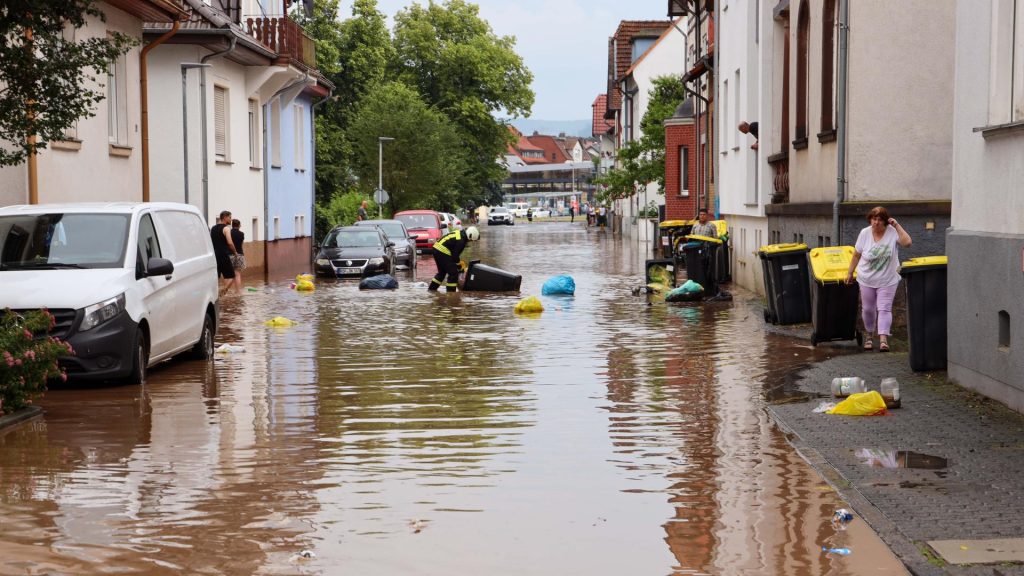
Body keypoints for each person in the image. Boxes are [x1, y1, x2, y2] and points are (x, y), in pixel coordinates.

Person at [845, 206, 912, 352]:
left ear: (885, 222)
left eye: (880, 220)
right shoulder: (864, 233)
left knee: (884, 308)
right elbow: (856, 255)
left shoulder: (892, 232)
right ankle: (869, 336)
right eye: (874, 219)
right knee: (868, 309)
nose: (876, 222)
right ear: (870, 219)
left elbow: (907, 243)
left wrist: (897, 225)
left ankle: (883, 339)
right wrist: (850, 273)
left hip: (888, 279)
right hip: (866, 278)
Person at [429, 226, 480, 292]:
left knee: (442, 273)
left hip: (436, 249)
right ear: (470, 236)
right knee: (453, 273)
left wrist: (458, 263)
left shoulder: (460, 233)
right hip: (442, 251)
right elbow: (455, 256)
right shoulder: (461, 241)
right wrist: (459, 266)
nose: (470, 241)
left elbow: (454, 254)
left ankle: (431, 290)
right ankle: (451, 294)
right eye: (471, 240)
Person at [210, 210, 239, 293]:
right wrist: (235, 252)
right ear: (225, 217)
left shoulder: (213, 228)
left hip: (214, 255)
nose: (231, 219)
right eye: (230, 217)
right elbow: (230, 243)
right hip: (223, 255)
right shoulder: (226, 228)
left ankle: (215, 294)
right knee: (232, 276)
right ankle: (223, 292)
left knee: (217, 277)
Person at [230, 219, 246, 290]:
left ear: (232, 225)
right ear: (239, 225)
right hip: (239, 254)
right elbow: (241, 245)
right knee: (237, 274)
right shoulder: (241, 234)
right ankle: (238, 291)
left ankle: (229, 292)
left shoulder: (229, 233)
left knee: (229, 275)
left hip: (230, 255)